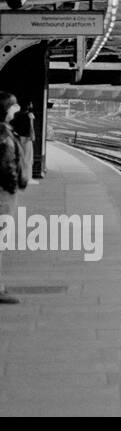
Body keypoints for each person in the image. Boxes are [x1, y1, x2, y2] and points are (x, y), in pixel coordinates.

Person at [0, 92, 27, 304]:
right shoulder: (2, 133)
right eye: (13, 106)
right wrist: (12, 186)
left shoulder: (5, 130)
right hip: (3, 195)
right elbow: (5, 164)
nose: (16, 109)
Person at [11, 101, 33, 186]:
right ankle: (26, 177)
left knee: (19, 157)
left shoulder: (16, 114)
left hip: (18, 137)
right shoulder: (30, 115)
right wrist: (32, 136)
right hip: (27, 138)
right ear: (28, 106)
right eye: (30, 104)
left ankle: (18, 176)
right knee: (27, 158)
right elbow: (31, 127)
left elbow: (13, 126)